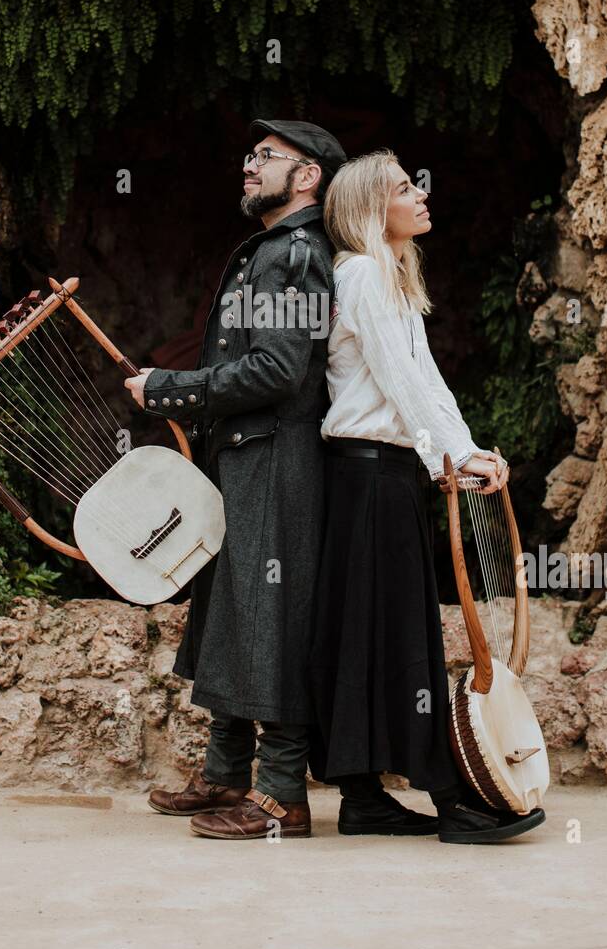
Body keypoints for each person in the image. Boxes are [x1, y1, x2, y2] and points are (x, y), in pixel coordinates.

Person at [307, 149, 546, 844]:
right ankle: (442, 796)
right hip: (364, 476)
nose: (421, 194)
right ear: (371, 209)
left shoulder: (390, 278)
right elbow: (395, 382)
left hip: (385, 475)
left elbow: (427, 383)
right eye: (405, 188)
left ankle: (368, 797)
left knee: (390, 630)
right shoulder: (361, 274)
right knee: (385, 633)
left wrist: (464, 453)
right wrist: (450, 458)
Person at [126, 119, 346, 839]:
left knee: (272, 614)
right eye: (248, 156)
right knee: (234, 606)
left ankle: (283, 793)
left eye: (266, 157)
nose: (248, 167)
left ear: (308, 175)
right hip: (249, 456)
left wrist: (173, 389)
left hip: (279, 458)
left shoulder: (297, 253)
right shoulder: (275, 249)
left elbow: (280, 372)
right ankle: (226, 772)